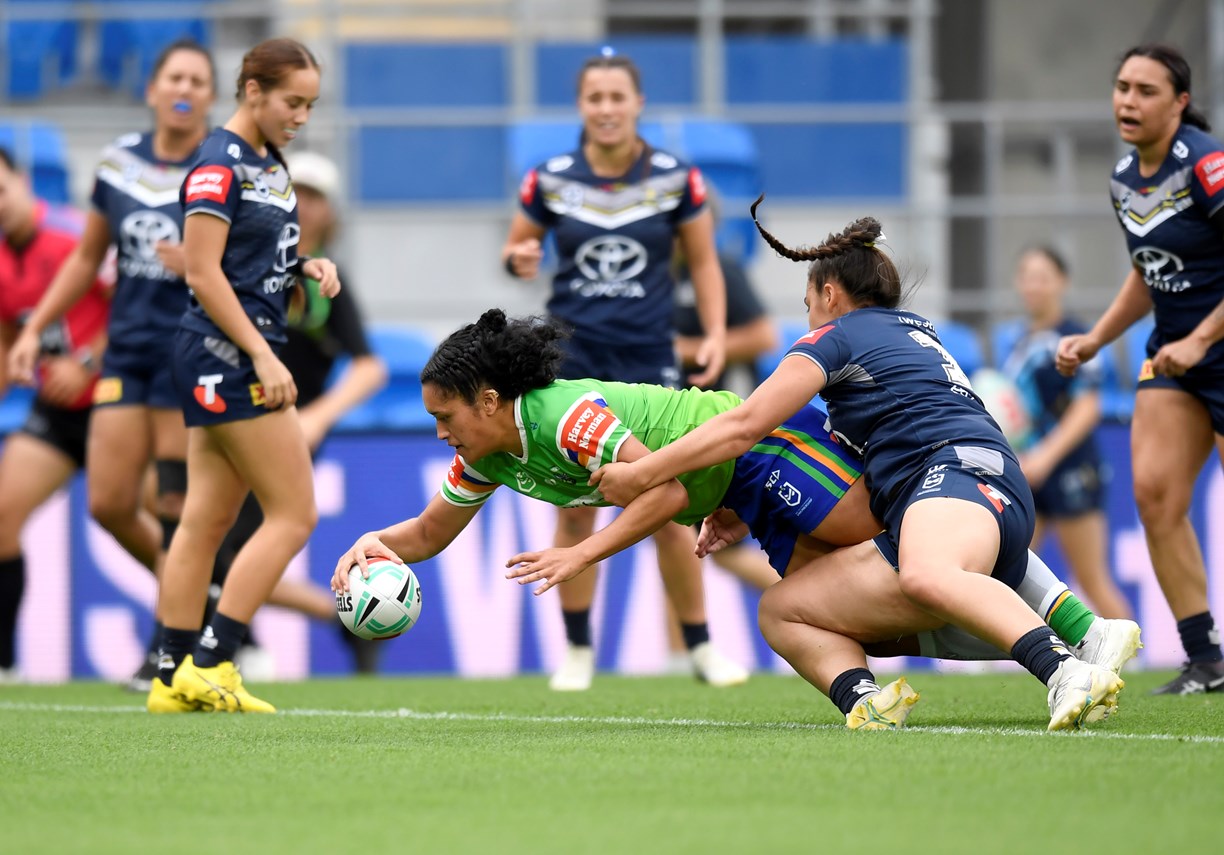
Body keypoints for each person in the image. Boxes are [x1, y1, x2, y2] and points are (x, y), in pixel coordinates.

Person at [333, 310, 1139, 728]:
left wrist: (584, 558)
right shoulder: (488, 455)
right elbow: (432, 534)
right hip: (737, 489)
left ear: (487, 400)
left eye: (444, 414)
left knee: (893, 542)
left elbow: (660, 492)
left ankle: (1071, 630)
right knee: (828, 605)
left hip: (767, 450)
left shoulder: (567, 417)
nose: (439, 431)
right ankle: (868, 697)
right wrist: (371, 543)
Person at [591, 207, 1132, 731]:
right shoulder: (916, 330)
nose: (807, 317)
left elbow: (744, 423)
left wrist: (645, 472)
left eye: (808, 303)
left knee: (926, 573)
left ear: (829, 294)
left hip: (953, 477)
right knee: (786, 608)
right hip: (994, 488)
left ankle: (1065, 670)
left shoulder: (836, 337)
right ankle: (877, 697)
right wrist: (739, 505)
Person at [501, 49, 733, 691]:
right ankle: (577, 651)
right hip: (570, 359)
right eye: (594, 98)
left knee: (666, 502)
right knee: (577, 506)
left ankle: (700, 647)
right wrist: (518, 258)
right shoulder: (546, 178)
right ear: (581, 106)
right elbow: (516, 248)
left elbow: (706, 264)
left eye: (617, 97)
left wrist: (712, 333)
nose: (606, 109)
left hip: (646, 360)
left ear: (638, 104)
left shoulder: (676, 179)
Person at [7, 39, 217, 692]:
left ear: (212, 97)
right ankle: (193, 600)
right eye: (174, 76)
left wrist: (204, 269)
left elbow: (248, 263)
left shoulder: (224, 169)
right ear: (152, 89)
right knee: (109, 502)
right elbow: (86, 258)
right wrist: (37, 328)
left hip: (189, 350)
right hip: (126, 352)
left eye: (199, 80)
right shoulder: (120, 164)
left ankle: (171, 648)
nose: (185, 88)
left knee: (177, 500)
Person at [145, 37, 340, 714]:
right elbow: (202, 272)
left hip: (214, 355)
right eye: (293, 101)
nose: (301, 116)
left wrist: (303, 265)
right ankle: (216, 657)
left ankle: (170, 677)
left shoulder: (269, 161)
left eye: (311, 104)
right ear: (252, 90)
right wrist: (262, 352)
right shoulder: (216, 163)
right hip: (226, 354)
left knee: (206, 518)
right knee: (294, 512)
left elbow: (250, 258)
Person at [1057, 44, 1224, 695]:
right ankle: (1205, 657)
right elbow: (1147, 268)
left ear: (1180, 103)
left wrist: (1204, 336)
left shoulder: (1208, 166)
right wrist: (1096, 337)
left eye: (1146, 90)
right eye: (1121, 86)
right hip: (1175, 353)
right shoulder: (1125, 176)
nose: (1128, 100)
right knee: (1155, 493)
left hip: (1211, 346)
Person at [211, 149, 388, 675]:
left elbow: (369, 367)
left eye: (315, 197)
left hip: (283, 428)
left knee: (228, 538)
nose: (304, 206)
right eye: (296, 193)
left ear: (329, 212)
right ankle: (331, 622)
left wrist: (318, 417)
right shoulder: (247, 265)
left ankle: (236, 646)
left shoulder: (328, 283)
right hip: (228, 413)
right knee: (218, 537)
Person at [0, 150, 110, 683]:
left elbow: (142, 304)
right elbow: (8, 340)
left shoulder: (72, 235)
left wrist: (87, 361)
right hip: (56, 410)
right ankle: (5, 664)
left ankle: (211, 638)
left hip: (118, 401)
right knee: (1, 517)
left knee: (159, 524)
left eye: (0, 190)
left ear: (22, 181)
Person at [1000, 246, 1133, 620]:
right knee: (1010, 574)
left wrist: (1045, 457)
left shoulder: (1078, 337)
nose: (1033, 286)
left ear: (1062, 282)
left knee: (1091, 579)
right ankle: (993, 662)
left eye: (1042, 277)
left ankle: (1132, 662)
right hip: (1029, 473)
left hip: (1072, 468)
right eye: (1026, 277)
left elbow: (1086, 407)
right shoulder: (1017, 341)